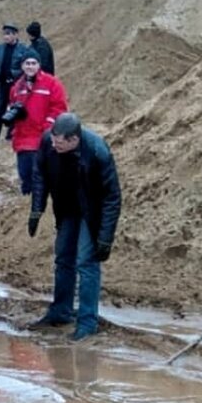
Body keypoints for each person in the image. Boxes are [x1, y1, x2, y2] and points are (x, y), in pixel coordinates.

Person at [27, 113, 121, 341]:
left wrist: (105, 238)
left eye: (59, 143)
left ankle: (88, 322)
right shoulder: (48, 143)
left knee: (86, 263)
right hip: (66, 208)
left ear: (73, 139)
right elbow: (40, 174)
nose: (53, 144)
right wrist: (36, 210)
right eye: (53, 140)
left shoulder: (98, 152)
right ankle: (60, 312)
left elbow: (112, 197)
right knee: (63, 259)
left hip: (91, 212)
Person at [7, 51, 68, 195]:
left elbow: (59, 108)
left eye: (33, 63)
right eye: (27, 63)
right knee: (25, 175)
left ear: (39, 65)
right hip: (23, 139)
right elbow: (11, 106)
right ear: (22, 66)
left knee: (41, 175)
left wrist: (47, 127)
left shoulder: (51, 83)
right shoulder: (17, 87)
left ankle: (41, 203)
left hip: (42, 138)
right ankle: (27, 204)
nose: (30, 66)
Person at [0, 24, 28, 145]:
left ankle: (11, 135)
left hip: (16, 86)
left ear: (15, 35)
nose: (6, 37)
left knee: (15, 109)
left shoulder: (23, 49)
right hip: (3, 85)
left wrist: (16, 75)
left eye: (9, 34)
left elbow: (25, 66)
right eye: (5, 34)